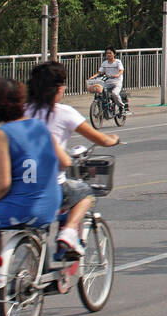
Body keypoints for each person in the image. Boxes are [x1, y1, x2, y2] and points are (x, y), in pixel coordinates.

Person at [26, 61, 120, 261]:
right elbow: (100, 139)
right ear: (58, 89)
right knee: (86, 193)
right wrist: (113, 139)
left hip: (23, 184)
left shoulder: (23, 112)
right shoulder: (64, 112)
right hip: (51, 186)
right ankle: (69, 232)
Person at [0, 78, 71, 296]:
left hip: (22, 208)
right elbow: (64, 162)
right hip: (50, 204)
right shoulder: (39, 127)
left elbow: (2, 184)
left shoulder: (2, 134)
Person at [89, 47, 126, 114]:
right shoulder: (104, 63)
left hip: (117, 82)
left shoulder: (118, 62)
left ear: (114, 54)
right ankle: (102, 105)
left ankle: (121, 107)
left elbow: (121, 71)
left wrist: (117, 75)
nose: (108, 55)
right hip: (107, 82)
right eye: (107, 53)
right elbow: (99, 72)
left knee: (114, 93)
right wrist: (92, 77)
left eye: (110, 53)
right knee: (99, 91)